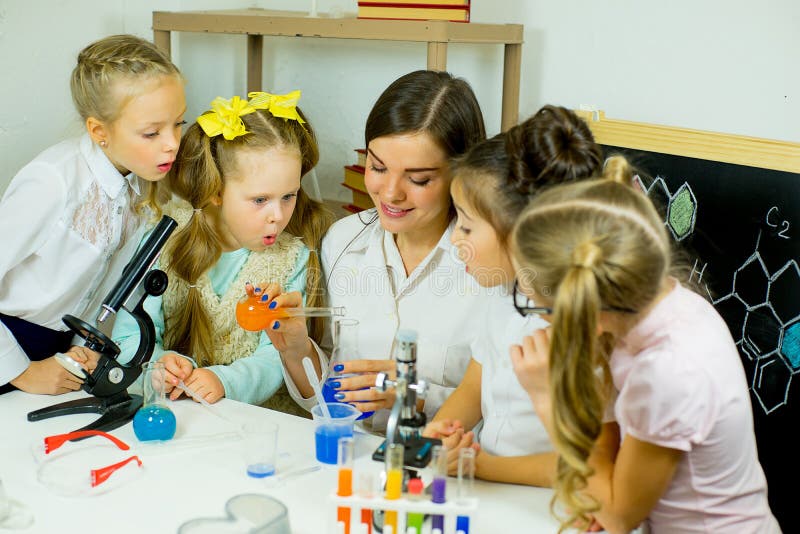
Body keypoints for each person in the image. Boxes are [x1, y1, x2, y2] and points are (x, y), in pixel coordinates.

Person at [508, 158, 780, 533]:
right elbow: (615, 470)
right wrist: (601, 494)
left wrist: (546, 399)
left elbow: (621, 517)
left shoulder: (668, 369)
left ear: (583, 309)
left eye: (540, 306)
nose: (540, 319)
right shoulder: (660, 304)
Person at [270, 70, 488, 426]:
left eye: (418, 179)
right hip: (346, 460)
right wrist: (297, 351)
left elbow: (507, 412)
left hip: (440, 472)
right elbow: (329, 399)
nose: (390, 193)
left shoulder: (489, 270)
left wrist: (415, 395)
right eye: (378, 167)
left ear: (461, 174)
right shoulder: (342, 241)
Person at [112, 91, 333, 411]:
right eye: (260, 200)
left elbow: (275, 359)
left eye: (289, 196)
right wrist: (159, 369)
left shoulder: (291, 259)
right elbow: (129, 337)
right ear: (216, 192)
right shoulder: (163, 239)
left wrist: (223, 381)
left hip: (256, 422)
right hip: (176, 412)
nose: (278, 215)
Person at [424, 105, 603, 486]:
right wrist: (437, 437)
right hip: (488, 488)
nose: (455, 238)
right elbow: (475, 384)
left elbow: (587, 467)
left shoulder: (591, 329)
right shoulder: (501, 294)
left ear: (524, 234)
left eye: (468, 228)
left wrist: (480, 465)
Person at [0, 34, 185, 395]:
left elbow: (102, 285)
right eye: (152, 132)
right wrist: (19, 371)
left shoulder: (138, 182)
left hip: (60, 354)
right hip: (10, 348)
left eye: (179, 123)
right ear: (99, 131)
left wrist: (83, 347)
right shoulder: (53, 182)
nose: (172, 143)